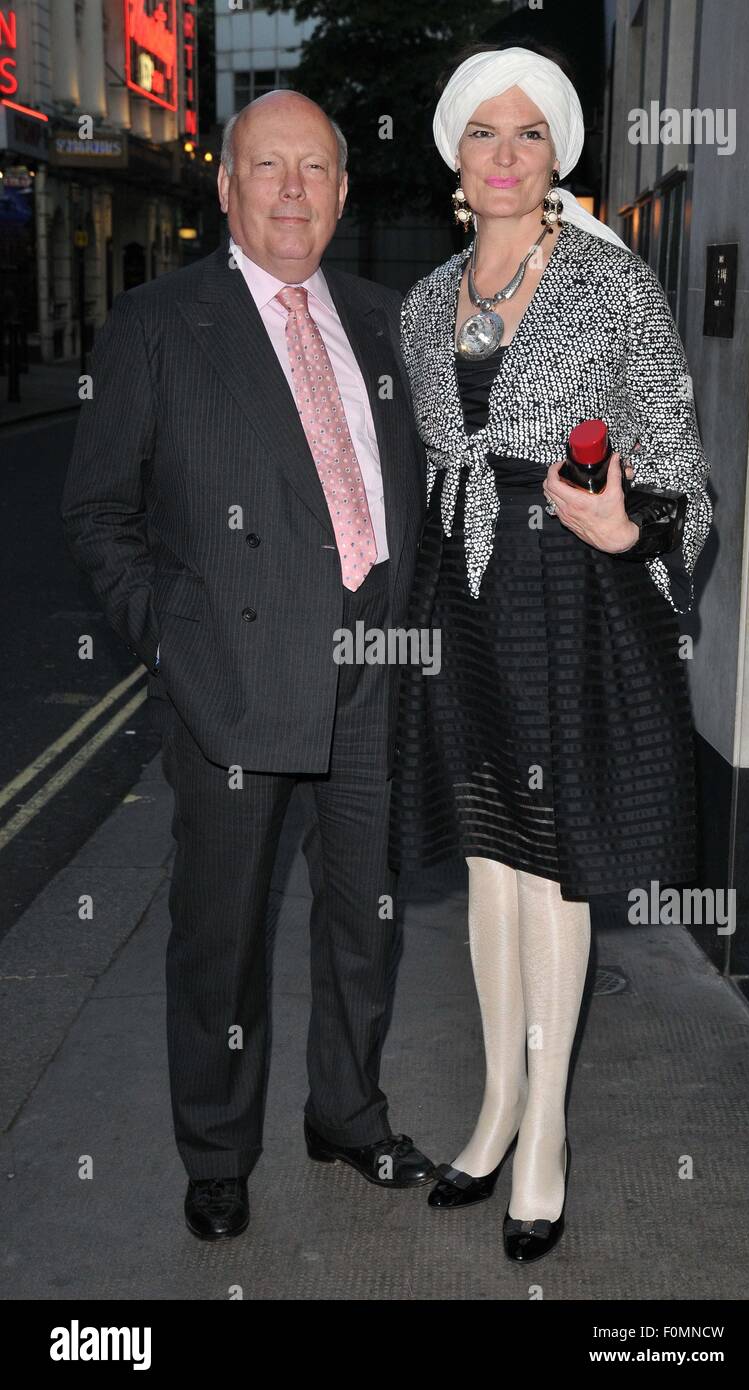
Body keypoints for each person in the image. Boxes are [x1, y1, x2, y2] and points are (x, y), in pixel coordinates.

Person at [61, 89, 435, 1242]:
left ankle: (347, 1111)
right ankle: (218, 1149)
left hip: (376, 665)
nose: (290, 190)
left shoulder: (386, 320)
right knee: (220, 935)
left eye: (314, 169)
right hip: (236, 680)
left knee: (364, 917)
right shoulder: (160, 323)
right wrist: (173, 642)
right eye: (266, 167)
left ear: (339, 191)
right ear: (225, 188)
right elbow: (98, 514)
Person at [389, 44, 713, 1263]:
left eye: (531, 134)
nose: (509, 154)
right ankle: (495, 1104)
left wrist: (633, 527)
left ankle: (547, 1136)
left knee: (554, 861)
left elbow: (681, 464)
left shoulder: (613, 287)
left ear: (559, 156)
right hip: (465, 602)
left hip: (567, 594)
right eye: (486, 133)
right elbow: (429, 473)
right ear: (456, 160)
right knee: (486, 859)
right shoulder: (424, 306)